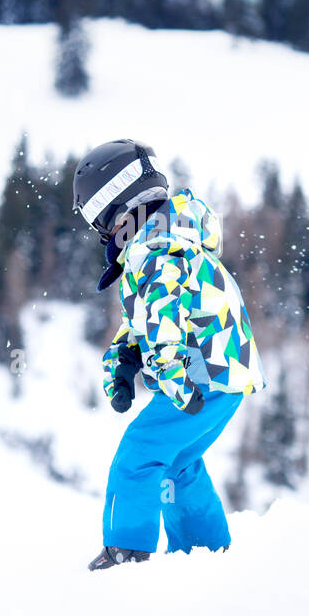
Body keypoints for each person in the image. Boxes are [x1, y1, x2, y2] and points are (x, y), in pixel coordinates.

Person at [72, 139, 265, 569]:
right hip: (222, 369)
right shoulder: (170, 240)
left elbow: (163, 321)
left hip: (200, 371)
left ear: (114, 207)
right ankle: (206, 550)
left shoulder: (154, 252)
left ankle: (127, 551)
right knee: (179, 462)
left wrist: (176, 378)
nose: (100, 234)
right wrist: (124, 358)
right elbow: (152, 316)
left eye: (95, 220)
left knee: (138, 455)